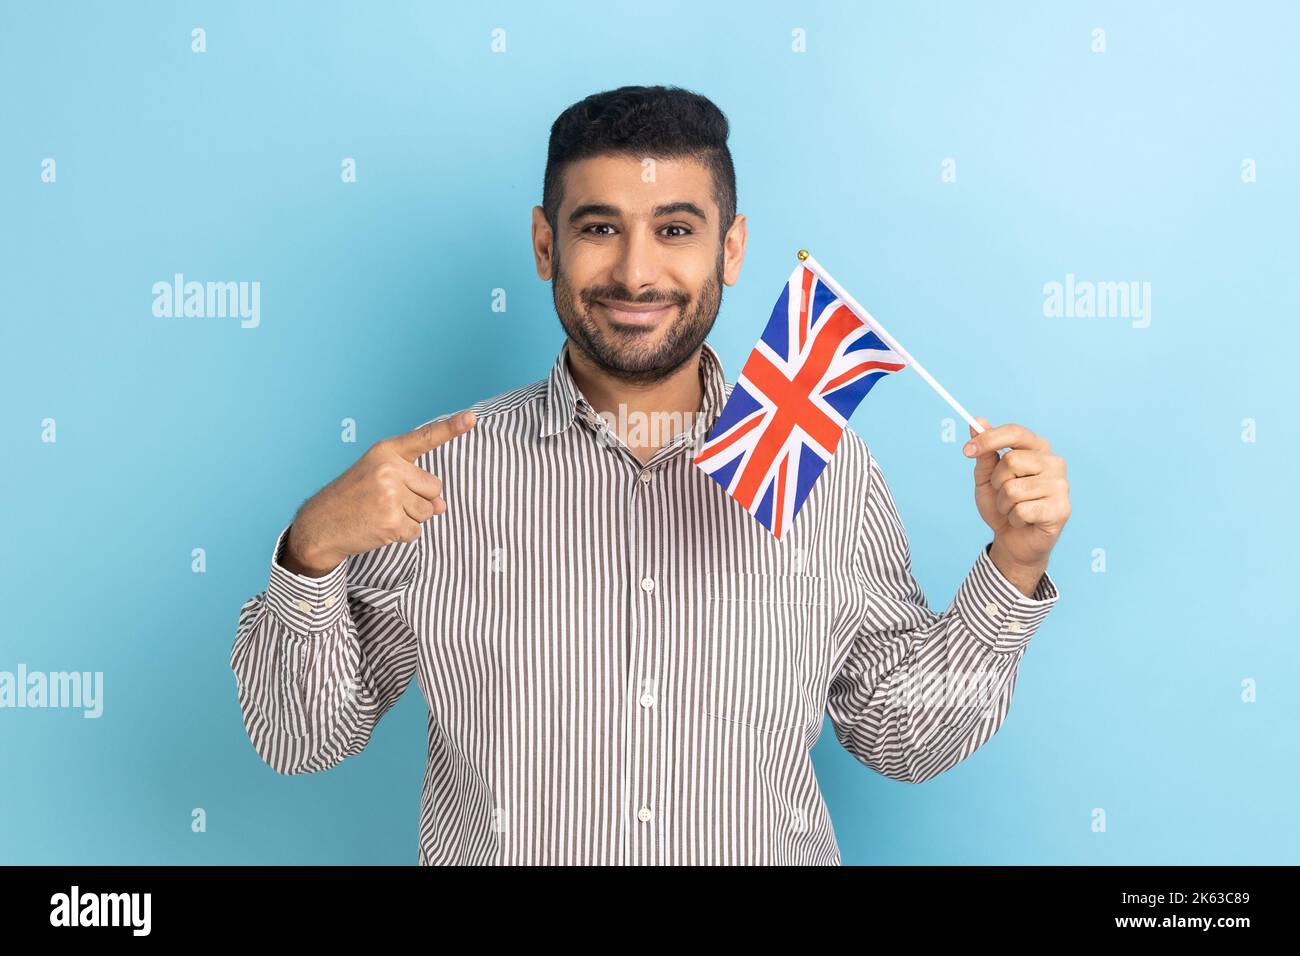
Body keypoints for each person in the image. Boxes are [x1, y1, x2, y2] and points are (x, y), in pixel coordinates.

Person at [230, 85, 1070, 865]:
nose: (636, 274)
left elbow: (903, 737)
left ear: (730, 248)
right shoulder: (436, 476)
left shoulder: (821, 466)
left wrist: (1014, 566)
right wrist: (309, 554)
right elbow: (301, 738)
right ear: (543, 243)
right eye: (599, 228)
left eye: (675, 230)